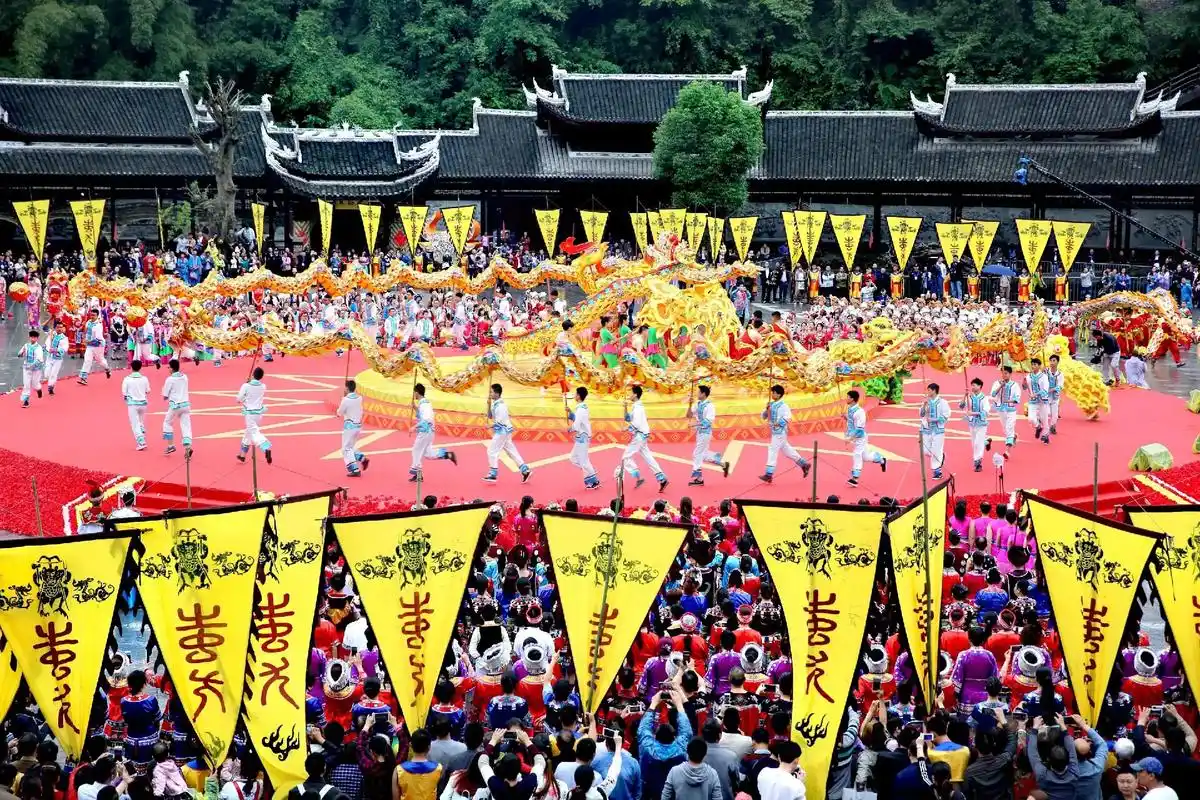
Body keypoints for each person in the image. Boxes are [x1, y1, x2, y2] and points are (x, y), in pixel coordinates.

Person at [620, 384, 669, 491]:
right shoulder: (637, 406)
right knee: (648, 457)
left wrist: (626, 429)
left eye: (631, 393)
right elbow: (628, 418)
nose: (629, 395)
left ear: (635, 394)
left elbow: (635, 423)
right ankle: (662, 479)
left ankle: (638, 477)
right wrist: (624, 407)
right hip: (642, 435)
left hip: (639, 436)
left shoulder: (638, 408)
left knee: (625, 457)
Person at [760, 384, 811, 484]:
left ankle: (769, 474)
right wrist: (767, 409)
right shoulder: (771, 404)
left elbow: (788, 418)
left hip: (780, 432)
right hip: (775, 432)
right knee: (787, 451)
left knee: (772, 450)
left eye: (774, 393)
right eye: (772, 392)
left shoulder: (784, 406)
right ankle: (804, 464)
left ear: (779, 394)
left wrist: (778, 423)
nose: (772, 394)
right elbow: (764, 416)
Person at [409, 382, 457, 482]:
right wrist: (414, 407)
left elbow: (426, 419)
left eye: (414, 393)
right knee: (427, 453)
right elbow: (421, 415)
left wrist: (414, 427)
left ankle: (418, 475)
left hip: (425, 432)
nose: (414, 395)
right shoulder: (425, 403)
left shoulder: (424, 404)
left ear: (417, 393)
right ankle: (448, 455)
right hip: (428, 433)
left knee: (416, 451)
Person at [484, 383, 531, 483]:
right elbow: (490, 416)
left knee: (492, 451)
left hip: (502, 431)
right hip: (504, 430)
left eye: (491, 392)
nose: (490, 394)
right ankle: (525, 470)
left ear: (497, 393)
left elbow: (500, 421)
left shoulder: (501, 406)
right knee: (511, 451)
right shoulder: (495, 403)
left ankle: (493, 474)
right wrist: (488, 405)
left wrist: (490, 426)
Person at [687, 385, 729, 487]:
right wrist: (690, 404)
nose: (697, 394)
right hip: (699, 432)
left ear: (703, 394)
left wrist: (694, 424)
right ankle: (723, 464)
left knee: (697, 453)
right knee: (703, 455)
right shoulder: (697, 404)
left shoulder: (710, 406)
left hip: (705, 433)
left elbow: (708, 421)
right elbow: (688, 415)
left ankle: (699, 478)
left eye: (698, 392)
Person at [845, 389, 886, 487]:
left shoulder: (860, 412)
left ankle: (855, 478)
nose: (846, 399)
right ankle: (881, 459)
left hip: (860, 437)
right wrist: (845, 417)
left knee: (857, 455)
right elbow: (852, 421)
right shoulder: (851, 409)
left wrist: (850, 439)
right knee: (866, 457)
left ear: (853, 399)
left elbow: (860, 428)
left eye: (848, 397)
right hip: (854, 437)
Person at [236, 366, 273, 464]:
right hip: (259, 413)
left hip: (250, 413)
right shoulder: (263, 386)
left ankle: (265, 447)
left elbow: (239, 399)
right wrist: (248, 383)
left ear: (253, 375)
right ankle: (242, 455)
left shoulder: (246, 386)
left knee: (254, 433)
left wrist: (246, 384)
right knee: (248, 433)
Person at [393, 728, 441, 800]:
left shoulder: (398, 770)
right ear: (429, 747)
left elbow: (395, 798)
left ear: (410, 745)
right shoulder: (438, 769)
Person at [568, 386, 600, 490]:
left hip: (583, 437)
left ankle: (593, 480)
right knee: (573, 458)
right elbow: (579, 420)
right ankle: (591, 471)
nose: (574, 395)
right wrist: (570, 412)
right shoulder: (581, 408)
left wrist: (570, 428)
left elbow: (576, 425)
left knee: (584, 461)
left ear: (578, 396)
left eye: (575, 393)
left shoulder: (581, 409)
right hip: (581, 437)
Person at [336, 379, 370, 477]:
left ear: (347, 388)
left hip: (349, 426)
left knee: (346, 449)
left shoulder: (346, 400)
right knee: (350, 447)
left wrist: (343, 399)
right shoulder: (359, 398)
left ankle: (354, 469)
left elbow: (339, 412)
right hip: (358, 426)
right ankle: (362, 458)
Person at [160, 358, 193, 457]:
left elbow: (165, 395)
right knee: (186, 426)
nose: (168, 369)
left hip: (175, 405)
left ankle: (170, 445)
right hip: (185, 405)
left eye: (169, 367)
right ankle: (188, 447)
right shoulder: (185, 377)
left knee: (167, 423)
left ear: (172, 368)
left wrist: (165, 393)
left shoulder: (170, 380)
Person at [919, 382, 951, 479]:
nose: (927, 392)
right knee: (925, 450)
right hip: (926, 429)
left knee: (936, 450)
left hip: (938, 430)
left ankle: (937, 470)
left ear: (934, 391)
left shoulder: (943, 402)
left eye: (929, 390)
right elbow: (921, 414)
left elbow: (946, 415)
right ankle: (941, 456)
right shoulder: (926, 402)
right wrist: (924, 405)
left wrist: (934, 419)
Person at [959, 377, 991, 472]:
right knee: (974, 443)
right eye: (971, 385)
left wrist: (974, 413)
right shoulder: (969, 397)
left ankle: (978, 462)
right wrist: (964, 396)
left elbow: (986, 411)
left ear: (980, 386)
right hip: (972, 423)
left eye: (974, 385)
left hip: (981, 424)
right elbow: (961, 406)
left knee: (977, 443)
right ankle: (986, 442)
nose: (972, 387)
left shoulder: (984, 398)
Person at [990, 365, 1021, 457]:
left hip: (1011, 410)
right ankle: (1014, 436)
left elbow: (1017, 398)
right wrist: (1000, 386)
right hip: (1001, 409)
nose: (1004, 375)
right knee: (1005, 429)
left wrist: (1009, 401)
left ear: (1010, 374)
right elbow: (993, 394)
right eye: (1002, 373)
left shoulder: (1015, 385)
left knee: (1009, 428)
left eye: (1006, 373)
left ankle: (1007, 451)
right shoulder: (997, 383)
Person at [122, 359, 151, 450]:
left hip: (133, 404)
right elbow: (148, 390)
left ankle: (141, 442)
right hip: (143, 403)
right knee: (140, 421)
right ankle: (141, 427)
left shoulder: (127, 379)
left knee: (135, 424)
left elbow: (124, 392)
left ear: (131, 367)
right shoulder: (144, 379)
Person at [78, 307, 112, 384]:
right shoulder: (88, 322)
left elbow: (98, 339)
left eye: (94, 315)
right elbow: (85, 331)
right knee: (87, 360)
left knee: (100, 361)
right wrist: (82, 333)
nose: (92, 316)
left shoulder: (98, 325)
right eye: (91, 315)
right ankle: (84, 378)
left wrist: (88, 341)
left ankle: (107, 369)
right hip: (89, 346)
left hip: (98, 345)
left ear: (97, 316)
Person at [17, 329, 44, 408]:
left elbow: (39, 359)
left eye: (34, 337)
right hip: (26, 367)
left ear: (37, 338)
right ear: (29, 337)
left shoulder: (38, 348)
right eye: (31, 337)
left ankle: (39, 389)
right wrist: (21, 353)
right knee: (26, 384)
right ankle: (26, 401)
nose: (33, 339)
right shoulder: (26, 345)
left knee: (35, 384)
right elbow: (19, 354)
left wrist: (32, 365)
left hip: (36, 368)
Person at [1027, 357, 1051, 444]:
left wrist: (1036, 394)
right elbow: (1026, 388)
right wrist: (1024, 384)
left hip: (1042, 400)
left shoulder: (1044, 377)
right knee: (1030, 418)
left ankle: (1046, 435)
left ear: (1039, 366)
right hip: (1033, 401)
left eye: (1035, 364)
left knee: (1044, 419)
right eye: (1032, 364)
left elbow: (1045, 389)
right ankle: (1038, 427)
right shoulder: (1028, 376)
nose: (1033, 366)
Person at [45, 319, 68, 395]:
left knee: (53, 374)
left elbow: (65, 348)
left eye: (61, 327)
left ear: (63, 328)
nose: (59, 329)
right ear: (55, 328)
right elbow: (44, 327)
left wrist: (56, 350)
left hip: (57, 359)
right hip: (49, 357)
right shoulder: (52, 333)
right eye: (58, 327)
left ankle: (51, 387)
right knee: (47, 374)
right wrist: (51, 318)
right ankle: (50, 382)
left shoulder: (64, 338)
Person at [1045, 354, 1063, 435]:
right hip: (1046, 396)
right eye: (1050, 361)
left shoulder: (1060, 374)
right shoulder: (1046, 372)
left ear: (1057, 362)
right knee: (1047, 412)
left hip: (1055, 396)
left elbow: (1060, 386)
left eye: (1054, 361)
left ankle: (1052, 426)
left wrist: (1052, 389)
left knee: (1055, 415)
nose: (1052, 363)